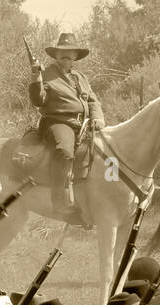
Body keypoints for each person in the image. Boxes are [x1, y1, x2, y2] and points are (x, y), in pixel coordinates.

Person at [29, 33, 105, 222]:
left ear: (75, 57)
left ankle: (96, 200)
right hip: (58, 122)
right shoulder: (46, 74)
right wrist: (35, 77)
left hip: (85, 125)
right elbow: (38, 100)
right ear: (56, 55)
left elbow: (93, 101)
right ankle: (59, 202)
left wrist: (98, 118)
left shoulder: (81, 78)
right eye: (62, 53)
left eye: (70, 53)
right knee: (65, 152)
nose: (66, 56)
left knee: (107, 153)